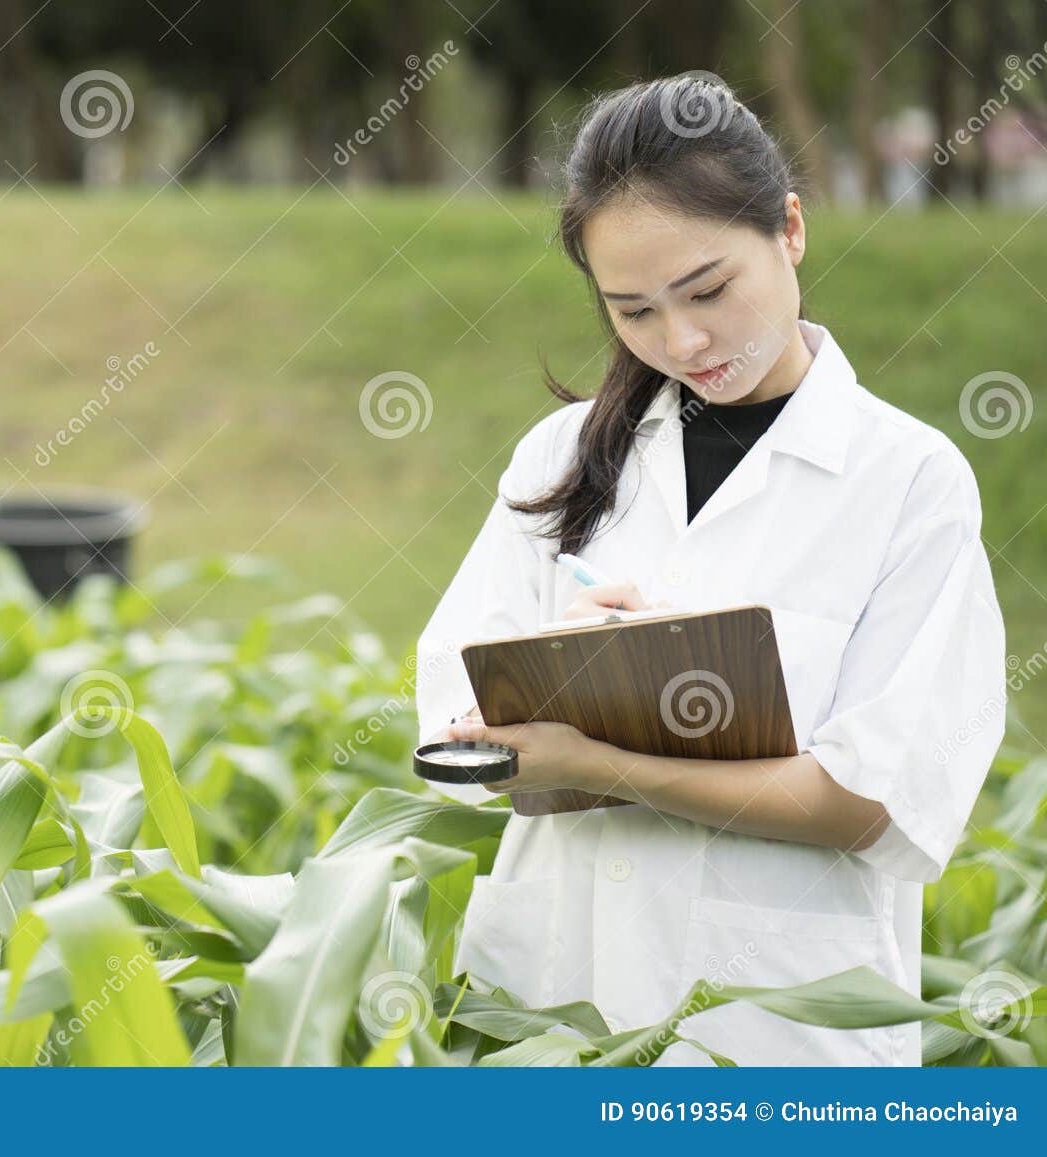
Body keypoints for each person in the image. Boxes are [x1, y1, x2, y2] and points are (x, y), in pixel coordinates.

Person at [413, 73, 1007, 1066]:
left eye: (708, 290)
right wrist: (550, 667)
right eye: (633, 310)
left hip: (777, 1034)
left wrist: (600, 760)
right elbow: (450, 737)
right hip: (553, 1020)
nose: (682, 342)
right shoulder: (557, 460)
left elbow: (867, 801)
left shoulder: (908, 480)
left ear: (789, 229)